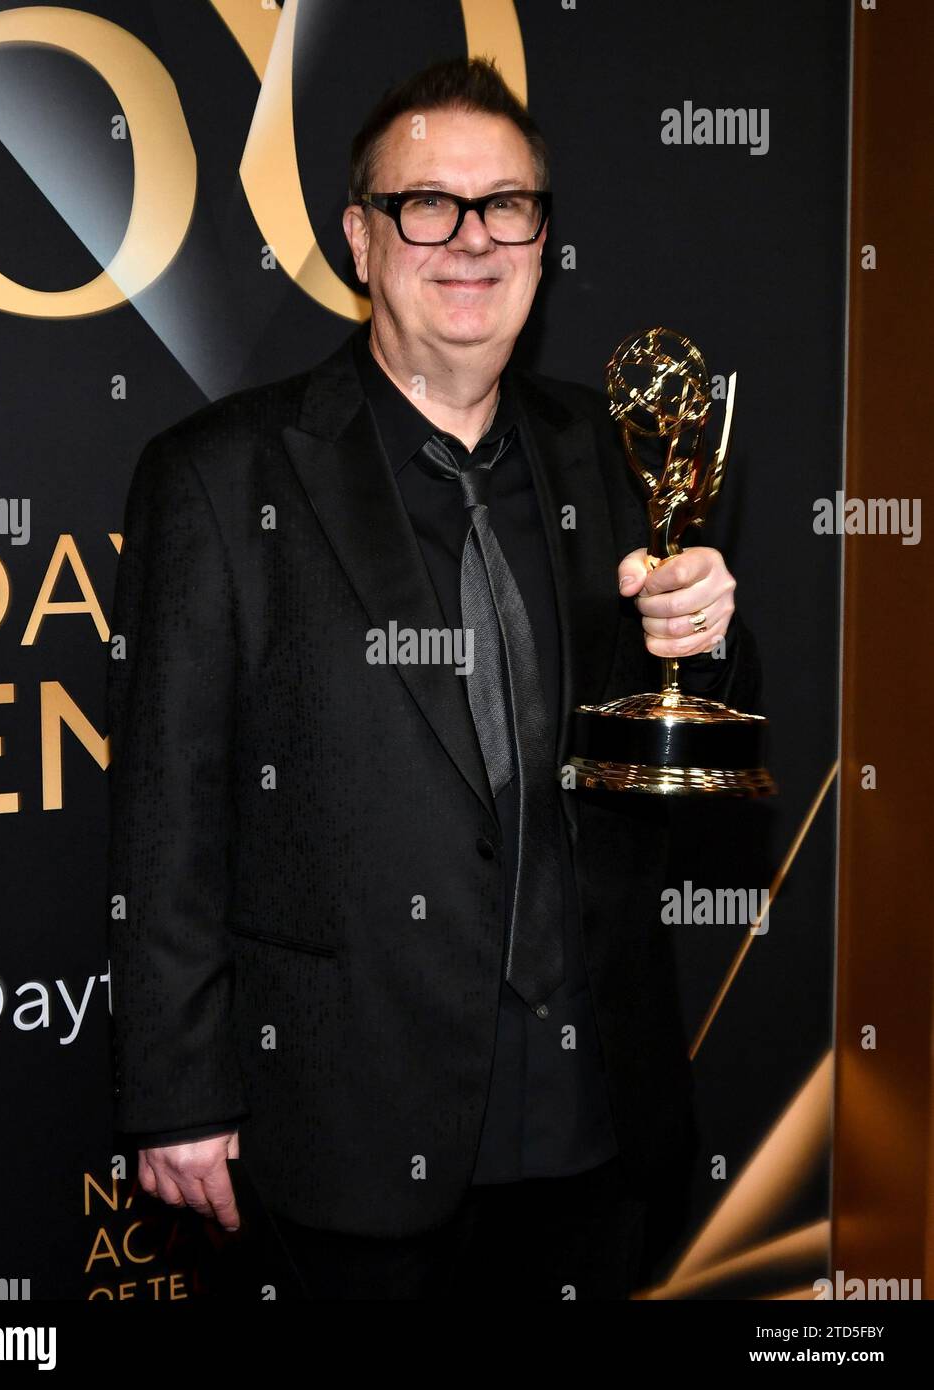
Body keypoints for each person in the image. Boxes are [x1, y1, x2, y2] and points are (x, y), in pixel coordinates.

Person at [106, 55, 761, 1301]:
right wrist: (175, 1090)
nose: (469, 239)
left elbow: (694, 732)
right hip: (344, 1125)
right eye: (427, 205)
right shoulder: (220, 475)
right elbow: (165, 808)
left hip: (595, 1116)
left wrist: (707, 629)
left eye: (504, 205)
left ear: (543, 237)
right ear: (361, 237)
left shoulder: (612, 457)